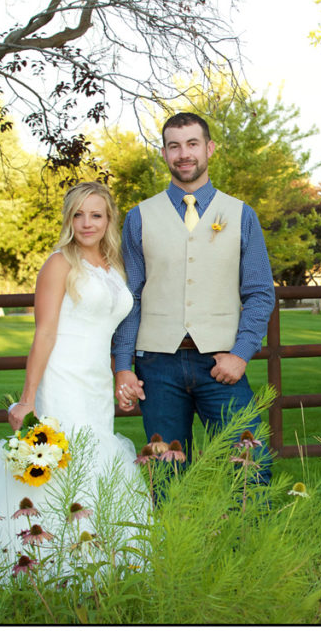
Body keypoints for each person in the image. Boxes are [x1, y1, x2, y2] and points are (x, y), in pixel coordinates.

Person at [0, 182, 149, 571]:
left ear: (109, 220)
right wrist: (28, 398)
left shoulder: (115, 265)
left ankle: (95, 562)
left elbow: (115, 325)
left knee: (95, 461)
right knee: (61, 466)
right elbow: (45, 332)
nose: (87, 223)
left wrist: (122, 375)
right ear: (69, 219)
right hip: (62, 378)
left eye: (96, 215)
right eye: (79, 214)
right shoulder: (60, 263)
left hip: (96, 384)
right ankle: (40, 563)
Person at [112, 112, 275, 484]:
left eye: (192, 144)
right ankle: (175, 543)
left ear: (209, 148)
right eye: (174, 146)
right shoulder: (139, 217)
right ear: (165, 153)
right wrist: (123, 366)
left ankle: (247, 541)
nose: (183, 154)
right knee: (166, 473)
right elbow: (130, 298)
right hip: (157, 366)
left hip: (221, 365)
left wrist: (241, 353)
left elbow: (261, 293)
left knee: (252, 467)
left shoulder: (240, 215)